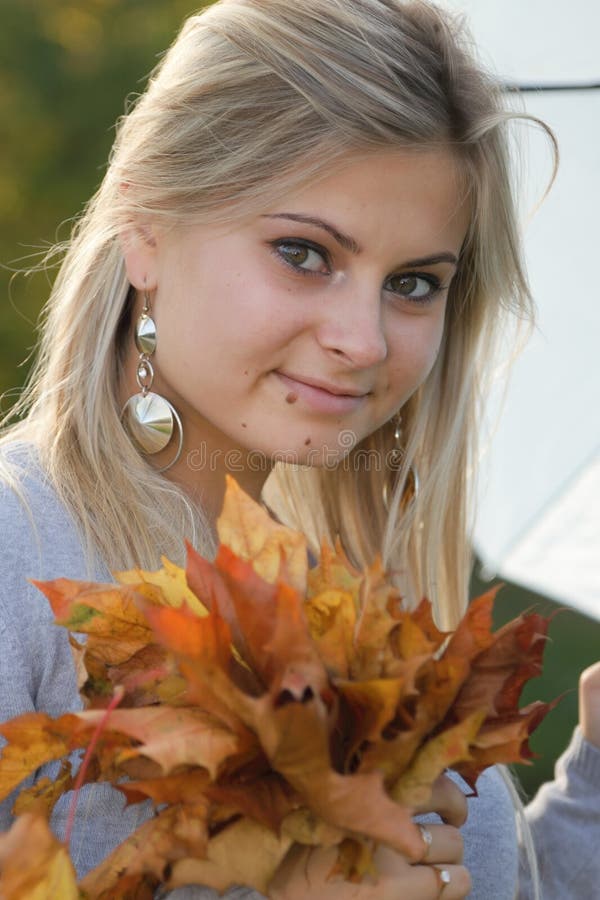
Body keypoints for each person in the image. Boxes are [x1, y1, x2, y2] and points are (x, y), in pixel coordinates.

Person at [0, 0, 599, 897]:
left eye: (413, 283)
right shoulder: (19, 551)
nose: (364, 340)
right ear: (146, 227)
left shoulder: (368, 617)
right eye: (305, 253)